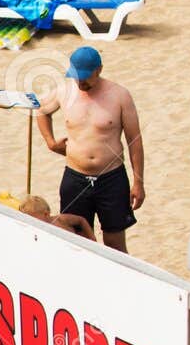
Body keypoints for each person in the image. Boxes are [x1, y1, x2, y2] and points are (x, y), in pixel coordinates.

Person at [35, 47, 145, 253]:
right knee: (76, 242)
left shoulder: (120, 95)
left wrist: (138, 182)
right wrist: (50, 141)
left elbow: (134, 140)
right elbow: (42, 111)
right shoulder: (64, 91)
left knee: (114, 243)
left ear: (99, 70)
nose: (80, 82)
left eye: (85, 77)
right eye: (77, 77)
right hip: (75, 178)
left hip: (111, 179)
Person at [18, 194, 95, 240]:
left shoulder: (61, 220)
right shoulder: (35, 230)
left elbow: (81, 220)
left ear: (46, 214)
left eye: (33, 219)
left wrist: (92, 238)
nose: (31, 222)